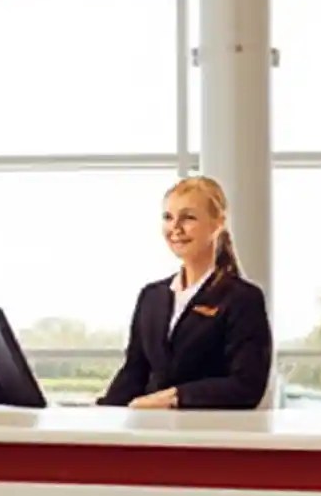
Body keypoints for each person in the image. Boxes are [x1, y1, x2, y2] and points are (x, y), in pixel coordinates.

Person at [97, 175, 273, 410]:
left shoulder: (242, 298)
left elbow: (247, 385)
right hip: (152, 433)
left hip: (207, 435)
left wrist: (174, 396)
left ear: (217, 223)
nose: (175, 228)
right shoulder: (152, 296)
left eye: (188, 218)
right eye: (168, 217)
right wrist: (103, 412)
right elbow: (134, 373)